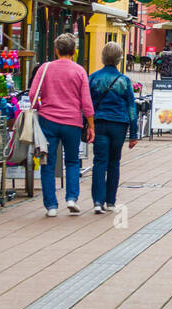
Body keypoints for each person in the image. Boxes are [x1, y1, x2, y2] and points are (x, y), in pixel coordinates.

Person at [29, 34, 95, 217]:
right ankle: (71, 198)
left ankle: (51, 206)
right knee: (73, 161)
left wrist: (39, 109)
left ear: (56, 50)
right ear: (74, 51)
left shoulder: (45, 68)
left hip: (48, 120)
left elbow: (33, 94)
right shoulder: (79, 71)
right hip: (72, 122)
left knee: (47, 162)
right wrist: (91, 125)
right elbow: (86, 102)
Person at [88, 42, 139, 214]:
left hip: (100, 122)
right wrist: (134, 133)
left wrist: (87, 125)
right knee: (114, 162)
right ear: (119, 59)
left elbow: (88, 104)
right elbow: (132, 107)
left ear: (103, 57)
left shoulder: (94, 78)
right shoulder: (124, 81)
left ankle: (97, 201)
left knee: (99, 161)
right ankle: (110, 201)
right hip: (119, 124)